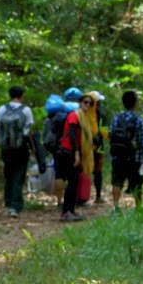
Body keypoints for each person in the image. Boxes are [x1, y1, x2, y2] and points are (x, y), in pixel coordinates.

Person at [0, 86, 34, 218]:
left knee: (9, 175)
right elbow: (29, 133)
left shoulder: (2, 109)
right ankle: (15, 206)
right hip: (21, 148)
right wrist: (33, 150)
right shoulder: (26, 110)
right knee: (19, 176)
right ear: (22, 96)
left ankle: (8, 204)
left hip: (6, 149)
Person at [110, 90, 143, 211]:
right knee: (137, 183)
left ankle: (116, 207)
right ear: (135, 104)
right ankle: (138, 207)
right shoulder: (139, 120)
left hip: (118, 157)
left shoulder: (116, 119)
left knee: (117, 182)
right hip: (135, 158)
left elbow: (111, 136)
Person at [55, 92, 89, 221]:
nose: (88, 105)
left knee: (74, 181)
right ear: (80, 103)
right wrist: (76, 153)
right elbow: (72, 134)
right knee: (72, 181)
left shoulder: (82, 117)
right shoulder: (74, 115)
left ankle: (71, 210)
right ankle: (66, 212)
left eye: (90, 103)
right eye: (85, 102)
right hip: (68, 151)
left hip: (72, 151)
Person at [87, 91, 107, 203]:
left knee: (84, 171)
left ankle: (82, 195)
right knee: (98, 172)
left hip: (85, 146)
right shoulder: (101, 114)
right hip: (99, 147)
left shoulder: (84, 113)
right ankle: (98, 196)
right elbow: (104, 132)